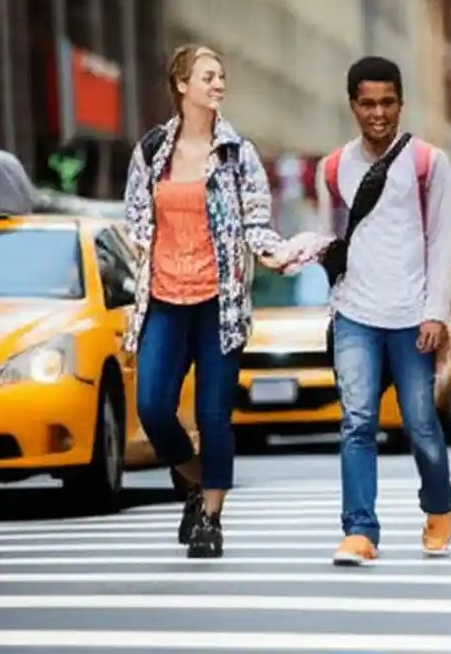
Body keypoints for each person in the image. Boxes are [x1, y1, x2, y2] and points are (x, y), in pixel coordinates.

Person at [122, 44, 302, 558]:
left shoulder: (236, 153)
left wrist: (272, 252)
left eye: (222, 76)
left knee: (214, 415)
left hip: (218, 303)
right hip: (162, 298)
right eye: (207, 76)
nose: (218, 84)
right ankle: (196, 480)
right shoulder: (152, 149)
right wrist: (146, 246)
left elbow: (256, 220)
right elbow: (136, 212)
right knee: (154, 407)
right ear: (182, 85)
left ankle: (211, 519)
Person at [312, 56, 451, 566]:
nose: (378, 113)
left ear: (401, 102)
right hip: (355, 311)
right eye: (368, 103)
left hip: (412, 313)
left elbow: (442, 240)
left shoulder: (427, 163)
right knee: (356, 421)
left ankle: (439, 505)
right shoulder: (331, 169)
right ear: (352, 104)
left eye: (388, 102)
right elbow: (333, 239)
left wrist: (436, 313)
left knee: (420, 422)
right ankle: (360, 530)